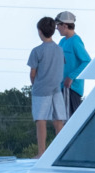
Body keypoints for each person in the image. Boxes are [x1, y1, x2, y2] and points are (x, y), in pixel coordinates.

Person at [27, 16, 68, 158]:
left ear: (39, 31)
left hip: (41, 89)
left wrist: (34, 84)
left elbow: (33, 73)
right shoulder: (59, 49)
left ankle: (41, 152)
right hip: (56, 88)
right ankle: (61, 152)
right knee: (59, 120)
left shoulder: (36, 51)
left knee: (41, 120)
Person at [54, 11, 90, 117]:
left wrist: (71, 77)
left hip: (71, 89)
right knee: (61, 120)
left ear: (65, 25)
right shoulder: (62, 42)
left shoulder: (75, 41)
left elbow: (87, 61)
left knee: (69, 121)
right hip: (61, 88)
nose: (57, 28)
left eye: (58, 25)